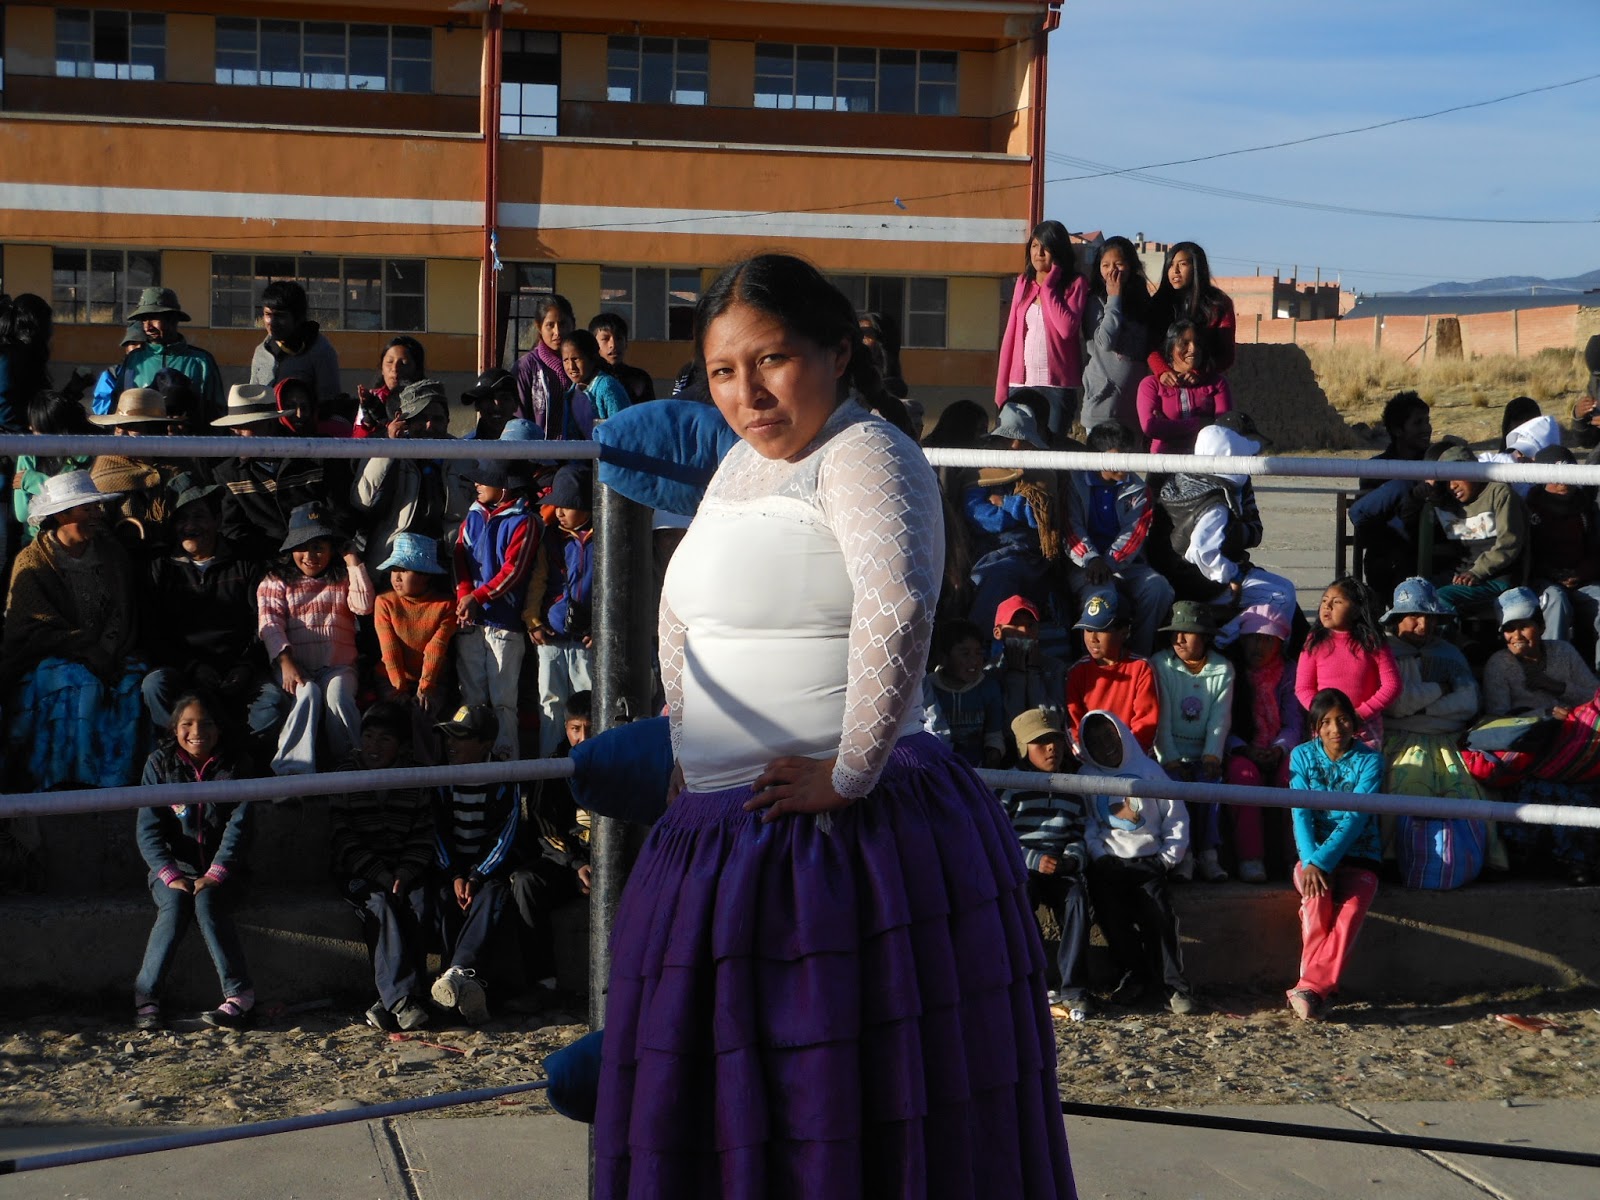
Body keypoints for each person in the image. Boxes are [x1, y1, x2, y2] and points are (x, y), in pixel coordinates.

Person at [595, 253, 1074, 1196]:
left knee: (830, 1095)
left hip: (829, 841)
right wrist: (687, 753)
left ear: (840, 351)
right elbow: (680, 616)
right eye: (725, 371)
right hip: (720, 832)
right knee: (722, 1091)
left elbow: (897, 606)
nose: (747, 392)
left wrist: (849, 773)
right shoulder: (739, 464)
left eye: (771, 361)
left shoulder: (867, 453)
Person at [2, 472, 144, 790]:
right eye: (87, 509)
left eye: (96, 507)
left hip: (110, 651)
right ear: (63, 515)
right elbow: (30, 626)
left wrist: (107, 649)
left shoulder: (111, 553)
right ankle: (65, 780)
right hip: (50, 657)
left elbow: (123, 609)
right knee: (77, 682)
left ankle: (118, 784)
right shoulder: (32, 561)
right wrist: (82, 648)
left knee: (134, 684)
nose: (97, 515)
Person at [133, 692, 255, 1030]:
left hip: (227, 871)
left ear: (219, 729)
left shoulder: (237, 765)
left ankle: (240, 996)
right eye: (187, 724)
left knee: (207, 902)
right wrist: (171, 875)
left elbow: (240, 826)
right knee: (174, 906)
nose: (196, 731)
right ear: (174, 730)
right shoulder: (158, 765)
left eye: (205, 723)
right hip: (173, 871)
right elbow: (148, 830)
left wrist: (216, 874)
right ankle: (147, 996)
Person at [140, 475, 277, 752]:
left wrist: (245, 666)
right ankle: (181, 757)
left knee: (273, 702)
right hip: (185, 670)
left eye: (199, 517)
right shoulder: (160, 567)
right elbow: (152, 632)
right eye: (182, 518)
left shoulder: (246, 562)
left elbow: (264, 622)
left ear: (216, 519)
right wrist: (192, 667)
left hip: (238, 669)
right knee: (154, 685)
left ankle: (234, 760)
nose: (190, 527)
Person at [1079, 708, 1196, 1015]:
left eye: (1109, 735)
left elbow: (1176, 816)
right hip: (1110, 863)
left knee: (1159, 916)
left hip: (1150, 861)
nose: (1104, 744)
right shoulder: (1085, 778)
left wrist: (1168, 858)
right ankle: (1136, 977)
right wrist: (1099, 856)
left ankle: (1174, 985)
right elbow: (1089, 823)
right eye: (1094, 740)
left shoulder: (1150, 771)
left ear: (1121, 732)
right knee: (1110, 915)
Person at [332, 700, 436, 1032]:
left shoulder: (414, 776)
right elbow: (343, 838)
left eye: (385, 740)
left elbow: (423, 834)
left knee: (421, 904)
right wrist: (379, 873)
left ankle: (397, 999)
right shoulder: (344, 777)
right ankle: (401, 1000)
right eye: (369, 737)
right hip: (359, 872)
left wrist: (405, 872)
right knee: (381, 907)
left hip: (404, 870)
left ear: (401, 746)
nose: (374, 747)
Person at [1379, 579, 1487, 890]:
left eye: (1429, 617)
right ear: (1398, 618)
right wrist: (1441, 689)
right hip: (1399, 741)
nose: (1423, 624)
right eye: (1414, 615)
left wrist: (1421, 708)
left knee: (1466, 791)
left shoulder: (1449, 653)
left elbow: (1468, 702)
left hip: (1447, 741)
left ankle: (1467, 860)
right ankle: (1395, 858)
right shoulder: (1386, 653)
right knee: (1407, 784)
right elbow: (1397, 705)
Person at [1150, 418, 1298, 646]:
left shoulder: (1182, 481)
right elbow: (1200, 552)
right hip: (1202, 584)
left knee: (1283, 586)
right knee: (1281, 596)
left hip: (1179, 575)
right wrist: (1233, 575)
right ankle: (1222, 644)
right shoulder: (1215, 503)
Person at [1287, 687, 1383, 1021]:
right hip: (1310, 855)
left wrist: (1324, 861)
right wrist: (1314, 862)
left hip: (1360, 853)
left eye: (1342, 719)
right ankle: (1316, 989)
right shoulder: (1301, 755)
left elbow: (1357, 816)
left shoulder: (1370, 759)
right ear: (1315, 725)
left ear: (1353, 721)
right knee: (1317, 902)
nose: (1335, 729)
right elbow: (1300, 812)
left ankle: (1310, 987)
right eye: (1325, 721)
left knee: (1351, 910)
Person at [256, 502, 375, 773]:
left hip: (339, 667)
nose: (310, 555)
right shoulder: (276, 580)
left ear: (333, 549)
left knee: (338, 697)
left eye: (319, 547)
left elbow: (364, 605)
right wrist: (286, 662)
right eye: (302, 547)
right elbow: (269, 622)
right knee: (307, 694)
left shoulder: (343, 577)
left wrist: (353, 562)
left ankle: (352, 765)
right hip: (294, 667)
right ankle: (292, 770)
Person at [997, 708, 1092, 1021]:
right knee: (1020, 897)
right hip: (1022, 866)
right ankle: (1034, 979)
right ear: (1024, 748)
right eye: (1041, 743)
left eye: (1056, 741)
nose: (1052, 748)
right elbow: (999, 839)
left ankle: (1074, 988)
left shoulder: (1072, 786)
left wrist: (1070, 860)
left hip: (1061, 867)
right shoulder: (1010, 787)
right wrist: (1035, 860)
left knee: (1078, 899)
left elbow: (1079, 832)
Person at [430, 704, 522, 1026]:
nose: (451, 744)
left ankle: (456, 973)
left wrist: (476, 875)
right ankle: (469, 983)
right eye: (449, 736)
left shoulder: (503, 778)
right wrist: (455, 874)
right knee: (443, 900)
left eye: (462, 737)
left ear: (485, 745)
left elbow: (505, 837)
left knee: (493, 898)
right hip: (452, 871)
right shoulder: (441, 778)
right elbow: (436, 831)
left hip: (487, 872)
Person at [1062, 420, 1174, 655]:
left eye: (1129, 454)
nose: (1126, 461)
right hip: (1085, 565)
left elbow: (1134, 533)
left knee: (1158, 588)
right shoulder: (1074, 483)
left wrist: (1110, 562)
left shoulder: (1138, 489)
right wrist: (1091, 559)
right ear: (1098, 456)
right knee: (1102, 597)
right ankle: (1091, 663)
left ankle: (1140, 655)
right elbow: (1072, 527)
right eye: (1119, 455)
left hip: (1125, 564)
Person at [454, 459, 539, 760]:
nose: (476, 484)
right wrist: (465, 595)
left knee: (504, 701)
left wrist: (476, 597)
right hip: (470, 620)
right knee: (472, 698)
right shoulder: (473, 516)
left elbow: (513, 571)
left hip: (504, 624)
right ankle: (470, 761)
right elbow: (460, 557)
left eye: (484, 480)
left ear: (503, 487)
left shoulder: (524, 521)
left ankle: (506, 766)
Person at [352, 379, 475, 574]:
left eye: (437, 419)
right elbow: (362, 500)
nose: (429, 425)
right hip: (391, 564)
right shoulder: (380, 447)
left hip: (448, 564)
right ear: (402, 419)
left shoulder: (464, 455)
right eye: (421, 417)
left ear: (448, 421)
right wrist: (390, 448)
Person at [1151, 601, 1236, 883]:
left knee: (1211, 789)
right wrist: (1170, 757)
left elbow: (1219, 719)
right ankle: (1183, 855)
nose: (1179, 639)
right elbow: (1160, 718)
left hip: (1204, 754)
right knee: (1174, 789)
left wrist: (1212, 756)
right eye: (1175, 632)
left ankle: (1209, 854)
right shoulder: (1161, 665)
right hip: (1170, 752)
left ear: (1206, 637)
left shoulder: (1223, 669)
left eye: (1188, 633)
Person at [211, 383, 345, 561]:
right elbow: (233, 530)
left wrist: (323, 552)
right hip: (266, 567)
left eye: (244, 427)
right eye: (233, 428)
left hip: (320, 560)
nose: (237, 434)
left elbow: (340, 512)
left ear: (268, 424)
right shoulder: (228, 474)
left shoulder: (315, 454)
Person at [1222, 606, 1302, 883]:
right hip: (1240, 747)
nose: (1259, 645)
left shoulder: (1288, 673)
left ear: (1280, 644)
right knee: (1243, 776)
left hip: (1279, 747)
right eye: (1253, 637)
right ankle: (1250, 858)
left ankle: (1295, 856)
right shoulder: (1229, 671)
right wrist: (1243, 748)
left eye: (1268, 639)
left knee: (1292, 777)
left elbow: (1294, 722)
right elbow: (1222, 723)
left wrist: (1279, 748)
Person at [995, 219, 1088, 444]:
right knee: (1017, 448)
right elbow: (1010, 335)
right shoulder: (1023, 283)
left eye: (1046, 246)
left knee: (1050, 449)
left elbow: (1066, 329)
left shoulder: (1075, 283)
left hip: (1057, 388)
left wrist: (1048, 288)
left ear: (1058, 249)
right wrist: (1002, 387)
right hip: (1020, 385)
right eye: (1035, 246)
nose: (1039, 252)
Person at [526, 464, 595, 758]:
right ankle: (549, 768)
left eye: (567, 504)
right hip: (551, 637)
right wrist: (532, 621)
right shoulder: (551, 539)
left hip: (585, 641)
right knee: (550, 702)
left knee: (587, 701)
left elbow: (612, 588)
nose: (559, 512)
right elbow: (537, 581)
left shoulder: (604, 539)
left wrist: (600, 629)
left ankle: (591, 761)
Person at [1295, 577, 1400, 750]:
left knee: (1363, 771)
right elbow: (1303, 688)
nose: (1327, 606)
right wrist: (1323, 715)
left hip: (1364, 726)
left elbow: (1392, 685)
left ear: (1356, 610)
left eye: (1337, 602)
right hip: (1325, 726)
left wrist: (1361, 714)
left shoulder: (1372, 642)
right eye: (1324, 601)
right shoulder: (1314, 642)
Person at [1427, 443, 1529, 617]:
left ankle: (1455, 644)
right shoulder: (1445, 502)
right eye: (1447, 481)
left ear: (1473, 471)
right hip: (1460, 575)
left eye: (1457, 477)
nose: (1452, 486)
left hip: (1496, 579)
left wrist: (1477, 571)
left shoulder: (1499, 494)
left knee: (1441, 598)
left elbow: (1508, 543)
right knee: (1418, 593)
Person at [1352, 390, 1433, 599]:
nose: (1427, 428)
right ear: (1398, 430)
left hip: (1427, 549)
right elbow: (1369, 526)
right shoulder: (1377, 468)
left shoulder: (1436, 463)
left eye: (1427, 421)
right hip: (1386, 553)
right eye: (1418, 423)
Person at [1525, 444, 1600, 661]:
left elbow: (1596, 549)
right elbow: (1527, 554)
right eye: (1554, 476)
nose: (1562, 482)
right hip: (1544, 581)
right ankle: (1553, 671)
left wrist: (1580, 573)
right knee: (1555, 602)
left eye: (1567, 474)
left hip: (1582, 580)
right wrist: (1552, 574)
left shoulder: (1586, 507)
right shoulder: (1530, 509)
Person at [374, 531, 457, 722]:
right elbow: (390, 649)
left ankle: (424, 753)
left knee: (424, 714)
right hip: (391, 678)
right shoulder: (384, 602)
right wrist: (399, 688)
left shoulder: (445, 605)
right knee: (393, 716)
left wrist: (426, 688)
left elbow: (436, 648)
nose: (397, 577)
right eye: (394, 570)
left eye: (404, 570)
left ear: (425, 576)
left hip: (433, 679)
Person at [1064, 588, 1159, 753]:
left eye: (1101, 630)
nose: (1093, 639)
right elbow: (1074, 725)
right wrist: (1094, 757)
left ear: (1124, 632)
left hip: (1133, 760)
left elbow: (1146, 725)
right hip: (1090, 761)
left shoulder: (1141, 668)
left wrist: (1124, 758)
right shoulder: (1077, 671)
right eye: (1088, 630)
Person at [1482, 586, 1599, 718]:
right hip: (1528, 734)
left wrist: (1558, 687)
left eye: (1524, 626)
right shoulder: (1499, 664)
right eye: (1510, 629)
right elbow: (1497, 718)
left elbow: (1595, 695)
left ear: (1541, 627)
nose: (1517, 635)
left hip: (1576, 726)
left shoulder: (1563, 650)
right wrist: (1544, 714)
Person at [117, 288, 224, 423]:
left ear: (173, 319)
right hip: (142, 442)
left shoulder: (201, 361)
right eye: (144, 320)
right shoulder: (134, 360)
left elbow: (217, 413)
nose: (147, 327)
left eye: (153, 318)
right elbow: (118, 405)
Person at [1080, 236, 1151, 432]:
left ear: (1130, 266)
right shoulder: (1095, 301)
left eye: (1119, 264)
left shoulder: (1142, 303)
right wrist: (1114, 297)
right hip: (1102, 409)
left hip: (1134, 410)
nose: (1112, 271)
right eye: (1106, 265)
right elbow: (1105, 342)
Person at [1136, 320, 1232, 455]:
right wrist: (1201, 423)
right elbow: (1150, 427)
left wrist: (1168, 426)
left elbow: (1224, 426)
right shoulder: (1151, 385)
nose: (1193, 349)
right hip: (1164, 462)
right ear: (1170, 349)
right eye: (1184, 343)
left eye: (1197, 343)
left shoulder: (1216, 384)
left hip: (1204, 462)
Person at [921, 618, 1007, 767]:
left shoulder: (989, 688)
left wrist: (994, 752)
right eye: (965, 654)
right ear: (944, 657)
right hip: (938, 764)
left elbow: (994, 733)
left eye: (979, 653)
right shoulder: (928, 687)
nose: (974, 661)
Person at [12, 390, 95, 543]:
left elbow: (80, 506)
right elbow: (22, 515)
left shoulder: (87, 457)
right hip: (36, 544)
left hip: (77, 541)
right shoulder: (28, 453)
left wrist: (34, 481)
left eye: (36, 425)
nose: (30, 428)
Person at [1145, 241, 1235, 381]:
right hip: (1165, 385)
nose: (1175, 271)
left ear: (1197, 268)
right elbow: (1149, 344)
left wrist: (1200, 373)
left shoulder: (1218, 304)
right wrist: (1162, 371)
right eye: (1170, 265)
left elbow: (1227, 355)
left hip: (1206, 385)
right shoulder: (1158, 304)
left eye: (1182, 264)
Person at [250, 281, 341, 408]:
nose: (271, 322)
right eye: (267, 314)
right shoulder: (261, 351)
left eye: (280, 316)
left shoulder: (321, 351)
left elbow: (330, 403)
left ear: (298, 317)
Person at [990, 593, 1068, 727]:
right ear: (998, 632)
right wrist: (1016, 675)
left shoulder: (1055, 669)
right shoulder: (992, 671)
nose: (1024, 631)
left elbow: (1051, 721)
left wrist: (1033, 674)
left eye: (1030, 625)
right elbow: (1009, 725)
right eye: (1015, 624)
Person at [512, 294, 576, 437]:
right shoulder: (526, 367)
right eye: (550, 325)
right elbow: (519, 421)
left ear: (573, 324)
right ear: (539, 327)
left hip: (579, 454)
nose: (557, 332)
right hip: (538, 455)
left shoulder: (584, 365)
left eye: (563, 324)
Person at [559, 329, 633, 437]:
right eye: (566, 360)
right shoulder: (571, 395)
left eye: (576, 359)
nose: (571, 367)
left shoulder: (607, 387)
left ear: (592, 357)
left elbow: (622, 430)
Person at [0, 293, 54, 431]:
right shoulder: (11, 359)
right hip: (15, 446)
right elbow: (7, 416)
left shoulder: (25, 356)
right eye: (48, 323)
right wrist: (29, 443)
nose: (52, 332)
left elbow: (41, 410)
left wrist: (72, 390)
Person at [351, 336, 425, 437]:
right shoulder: (372, 399)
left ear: (417, 369)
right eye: (389, 362)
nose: (395, 368)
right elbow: (358, 442)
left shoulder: (426, 399)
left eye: (404, 363)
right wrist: (369, 419)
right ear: (381, 368)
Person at [589, 312, 656, 404]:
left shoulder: (639, 378)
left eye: (619, 338)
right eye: (605, 339)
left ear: (626, 343)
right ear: (593, 344)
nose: (613, 345)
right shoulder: (588, 378)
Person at [92, 322, 147, 416]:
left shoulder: (158, 372)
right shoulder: (113, 373)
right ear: (126, 348)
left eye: (144, 344)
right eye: (133, 343)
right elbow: (100, 406)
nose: (139, 347)